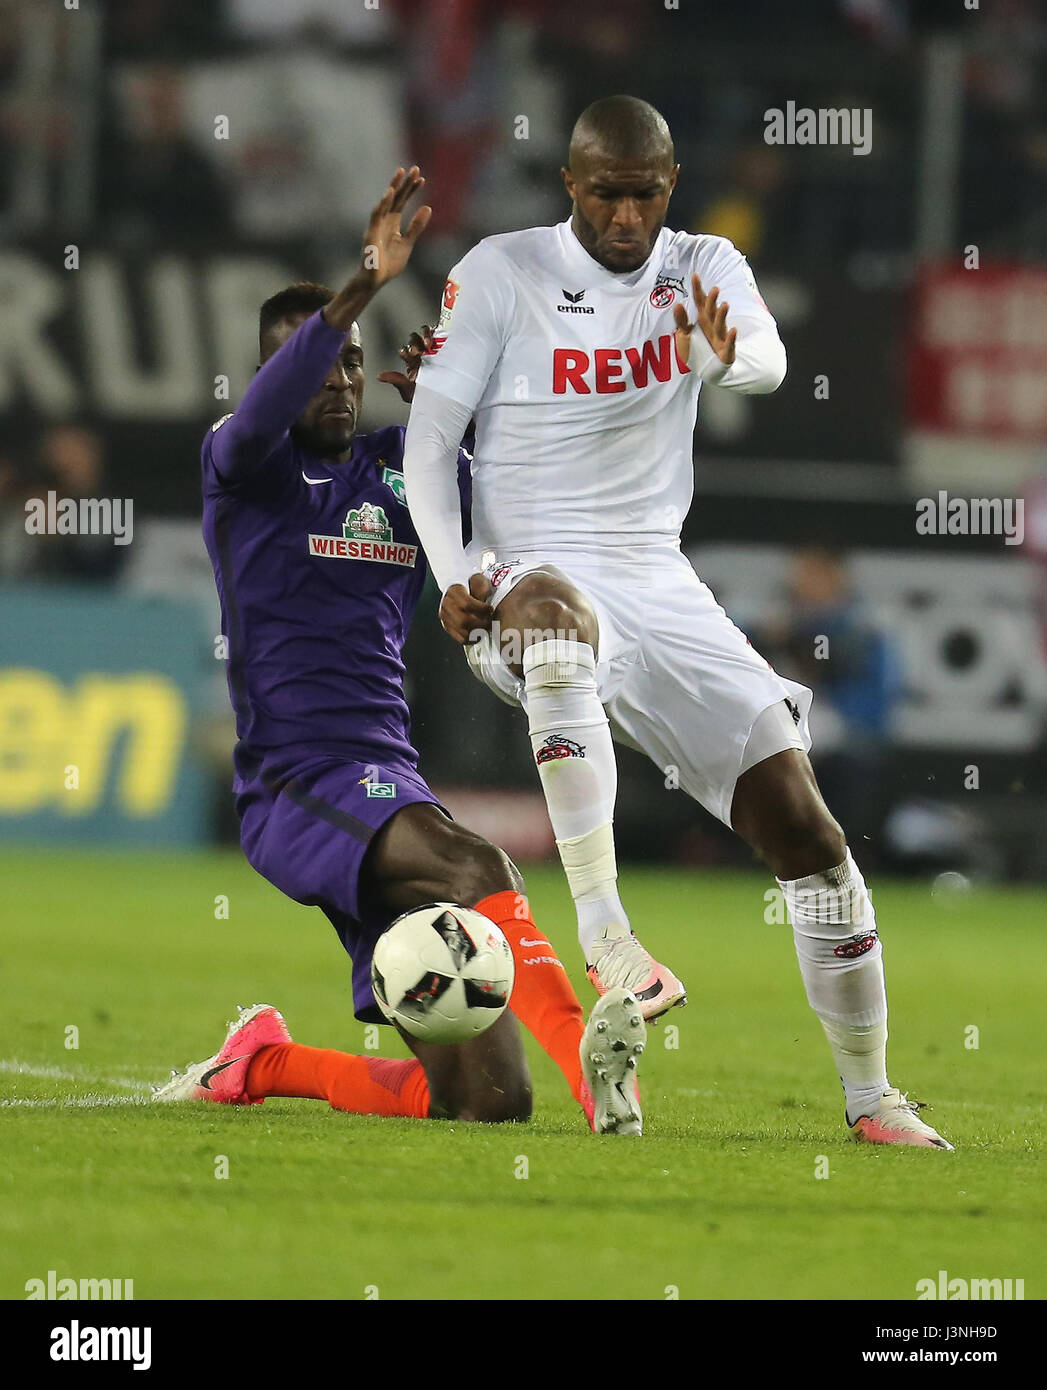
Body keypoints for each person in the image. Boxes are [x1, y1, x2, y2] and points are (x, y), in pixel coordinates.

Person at [402, 101, 952, 1148]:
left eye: (644, 192)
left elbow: (768, 358)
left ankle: (872, 1094)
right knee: (559, 627)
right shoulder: (502, 271)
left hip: (657, 580)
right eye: (604, 191)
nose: (624, 213)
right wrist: (455, 572)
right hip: (528, 573)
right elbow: (432, 438)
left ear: (671, 181)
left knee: (808, 829)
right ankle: (610, 939)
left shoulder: (703, 262)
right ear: (570, 182)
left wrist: (721, 353)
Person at [153, 168, 646, 1135]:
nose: (335, 380)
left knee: (486, 1105)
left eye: (348, 365)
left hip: (387, 780)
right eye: (313, 361)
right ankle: (601, 1079)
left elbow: (505, 514)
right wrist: (363, 285)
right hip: (298, 783)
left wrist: (455, 414)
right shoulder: (243, 469)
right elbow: (263, 413)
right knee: (479, 867)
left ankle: (266, 1062)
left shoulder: (395, 471)